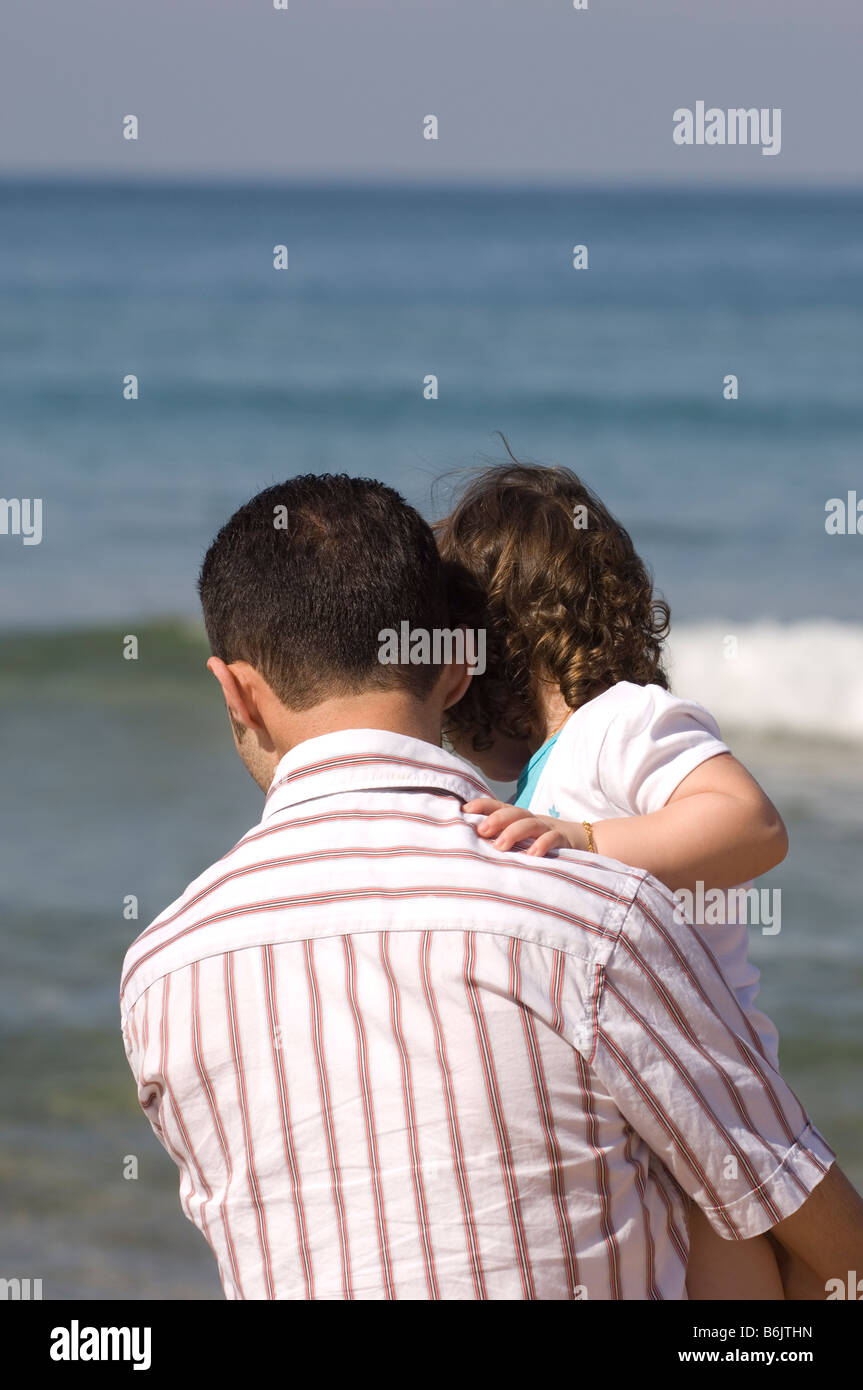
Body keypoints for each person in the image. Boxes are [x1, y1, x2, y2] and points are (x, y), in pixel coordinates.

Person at [121, 472, 862, 1300]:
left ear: (235, 692)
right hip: (708, 1115)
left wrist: (587, 841)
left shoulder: (161, 972)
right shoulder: (560, 893)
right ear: (451, 669)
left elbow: (751, 825)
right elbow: (837, 1247)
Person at [435, 452, 801, 1296]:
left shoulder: (621, 721)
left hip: (714, 1096)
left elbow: (750, 824)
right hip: (647, 1101)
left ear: (497, 644)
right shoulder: (545, 774)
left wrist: (587, 840)